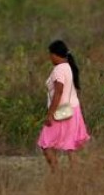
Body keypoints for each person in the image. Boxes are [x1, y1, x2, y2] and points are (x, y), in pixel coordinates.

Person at [36, 39, 90, 170]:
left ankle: (56, 173)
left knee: (45, 143)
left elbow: (58, 92)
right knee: (71, 146)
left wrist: (50, 114)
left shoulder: (59, 69)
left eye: (50, 55)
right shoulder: (68, 66)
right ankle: (75, 177)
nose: (50, 58)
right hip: (73, 109)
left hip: (61, 111)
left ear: (55, 54)